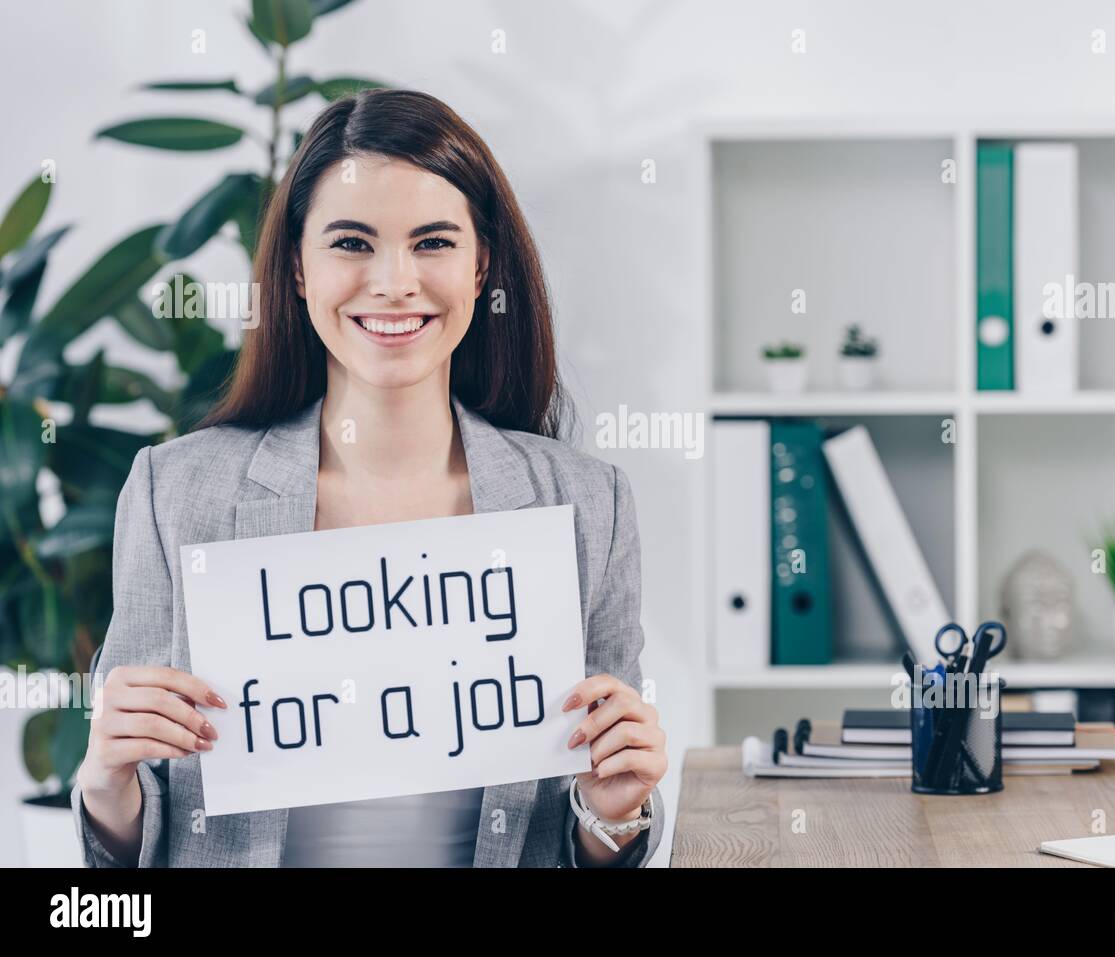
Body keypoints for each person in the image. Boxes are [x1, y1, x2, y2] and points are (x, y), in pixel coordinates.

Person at [69, 89, 667, 868]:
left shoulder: (588, 506)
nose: (394, 282)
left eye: (432, 243)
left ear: (481, 262)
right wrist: (108, 781)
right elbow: (133, 856)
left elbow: (579, 841)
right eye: (352, 242)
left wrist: (612, 810)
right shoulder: (174, 493)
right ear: (297, 265)